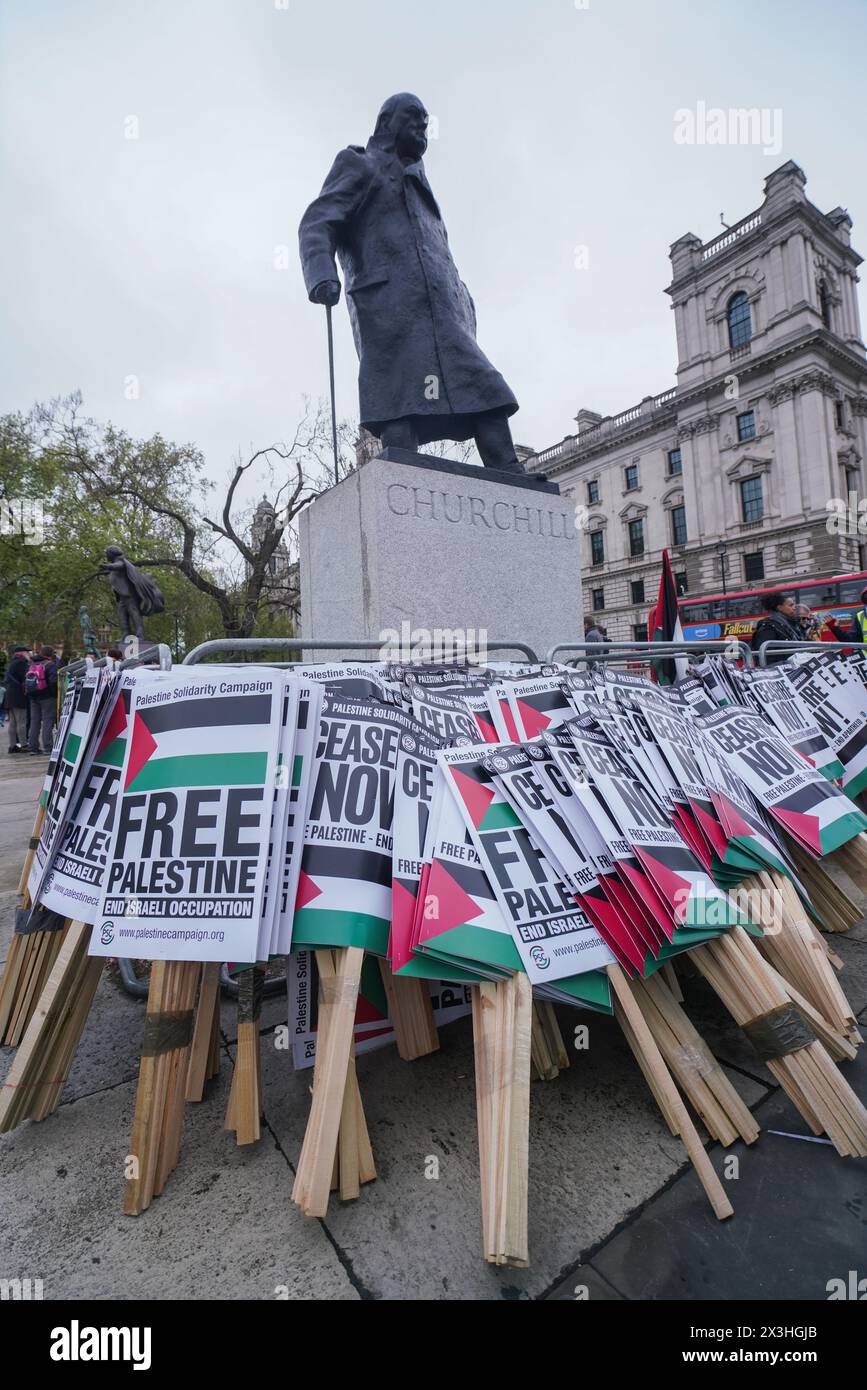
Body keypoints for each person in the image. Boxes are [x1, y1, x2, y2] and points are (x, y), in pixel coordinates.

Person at [299, 93, 525, 474]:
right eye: (414, 117)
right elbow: (317, 222)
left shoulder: (422, 187)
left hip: (444, 312)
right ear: (387, 122)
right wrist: (322, 272)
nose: (423, 126)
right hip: (388, 307)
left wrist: (464, 300)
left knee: (483, 385)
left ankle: (505, 466)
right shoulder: (358, 164)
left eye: (426, 120)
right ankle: (403, 470)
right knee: (399, 397)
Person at [750, 592, 804, 664]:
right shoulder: (768, 627)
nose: (794, 608)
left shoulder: (791, 624)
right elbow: (766, 656)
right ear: (779, 608)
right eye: (791, 605)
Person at [25, 645, 58, 754]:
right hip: (47, 697)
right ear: (50, 654)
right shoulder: (50, 665)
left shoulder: (32, 663)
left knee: (35, 722)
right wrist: (54, 695)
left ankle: (33, 747)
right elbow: (53, 682)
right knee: (48, 722)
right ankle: (48, 747)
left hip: (33, 696)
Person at [4, 645, 30, 753]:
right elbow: (25, 678)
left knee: (13, 722)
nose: (29, 654)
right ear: (22, 653)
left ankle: (12, 745)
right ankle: (24, 745)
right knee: (21, 722)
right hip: (19, 695)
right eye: (27, 652)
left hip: (10, 695)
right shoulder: (21, 663)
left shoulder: (12, 663)